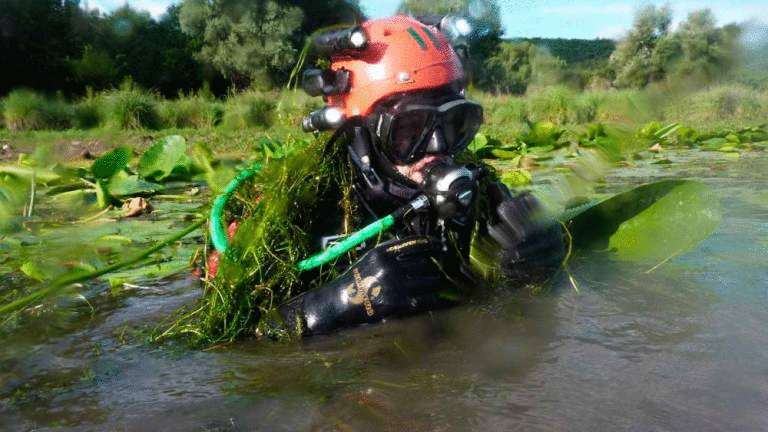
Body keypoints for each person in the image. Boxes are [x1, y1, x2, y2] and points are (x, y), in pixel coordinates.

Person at [205, 15, 565, 339]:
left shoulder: (478, 195)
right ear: (357, 130)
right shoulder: (294, 209)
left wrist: (540, 255)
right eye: (410, 130)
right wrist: (335, 304)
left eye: (455, 124)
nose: (437, 147)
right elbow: (223, 333)